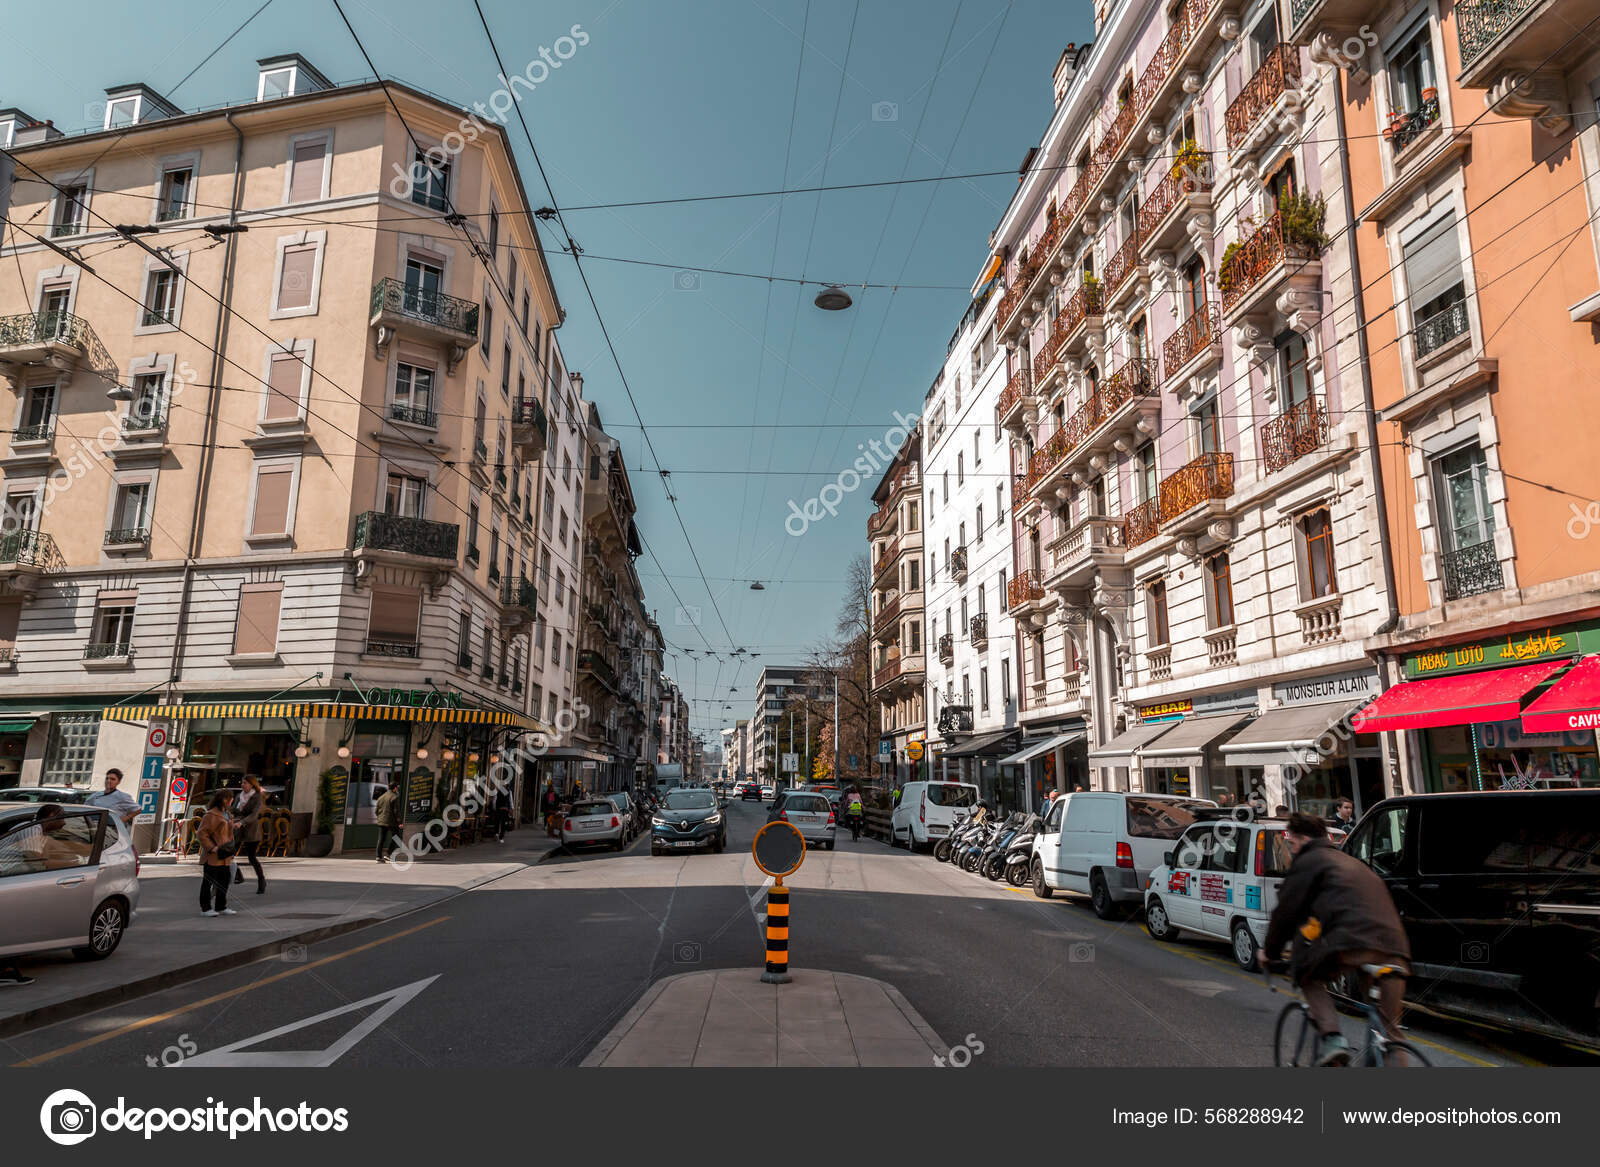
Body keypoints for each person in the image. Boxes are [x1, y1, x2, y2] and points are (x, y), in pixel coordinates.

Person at [1256, 813, 1411, 1066]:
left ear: (1303, 839)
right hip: (1396, 947)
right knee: (1390, 1033)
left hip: (1351, 942)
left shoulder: (1310, 861)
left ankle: (1333, 1039)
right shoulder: (1353, 862)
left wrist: (1269, 952)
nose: (1292, 849)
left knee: (1309, 977)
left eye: (1292, 843)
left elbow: (1286, 911)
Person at [197, 790, 237, 917]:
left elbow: (229, 834)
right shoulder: (211, 815)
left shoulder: (227, 814)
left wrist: (231, 850)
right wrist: (211, 847)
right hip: (213, 855)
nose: (232, 801)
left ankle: (221, 906)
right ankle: (205, 908)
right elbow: (201, 833)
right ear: (224, 799)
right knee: (208, 882)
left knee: (224, 881)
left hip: (225, 854)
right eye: (231, 798)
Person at [232, 775, 266, 894]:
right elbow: (233, 809)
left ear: (252, 784)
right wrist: (234, 814)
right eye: (242, 783)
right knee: (230, 854)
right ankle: (238, 875)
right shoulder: (239, 796)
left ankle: (261, 880)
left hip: (251, 829)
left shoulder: (257, 797)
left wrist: (242, 822)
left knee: (252, 857)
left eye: (245, 783)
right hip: (237, 829)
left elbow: (254, 814)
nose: (242, 785)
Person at [85, 768, 139, 832]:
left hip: (113, 831)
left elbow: (138, 809)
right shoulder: (96, 795)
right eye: (107, 778)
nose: (108, 781)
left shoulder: (122, 796)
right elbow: (85, 809)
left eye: (113, 779)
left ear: (118, 782)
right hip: (95, 828)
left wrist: (123, 820)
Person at [374, 782, 403, 863]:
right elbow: (396, 811)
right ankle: (388, 854)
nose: (397, 789)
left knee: (381, 839)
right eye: (397, 787)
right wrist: (400, 822)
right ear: (395, 788)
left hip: (381, 821)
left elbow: (376, 811)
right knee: (397, 837)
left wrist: (380, 818)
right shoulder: (394, 797)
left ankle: (378, 857)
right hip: (391, 822)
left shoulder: (381, 797)